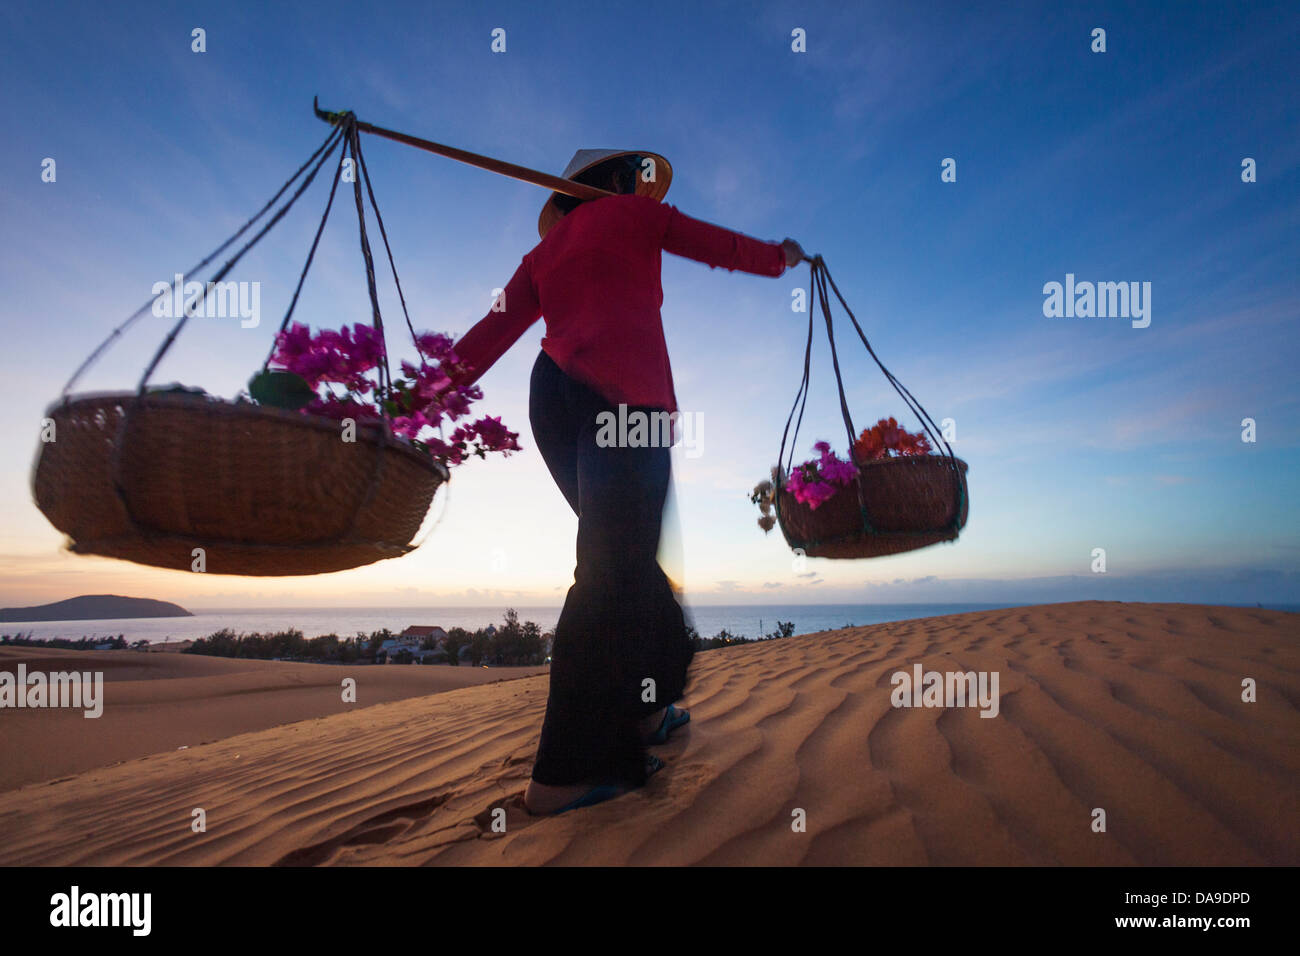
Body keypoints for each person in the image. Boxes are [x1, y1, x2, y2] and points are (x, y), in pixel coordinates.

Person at [447, 148, 807, 815]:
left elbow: (490, 332)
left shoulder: (541, 258)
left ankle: (644, 713)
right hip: (627, 406)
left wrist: (420, 392)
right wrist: (780, 258)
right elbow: (721, 247)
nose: (640, 187)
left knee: (629, 565)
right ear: (616, 183)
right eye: (631, 179)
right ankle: (563, 773)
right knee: (613, 571)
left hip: (552, 396)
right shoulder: (640, 217)